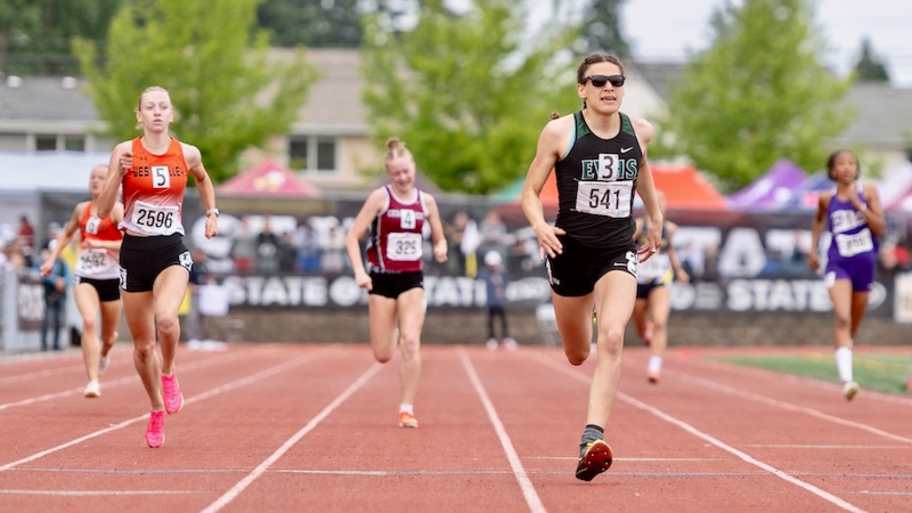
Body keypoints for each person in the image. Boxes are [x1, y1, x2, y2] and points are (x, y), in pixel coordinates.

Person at [521, 53, 663, 481]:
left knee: (614, 338)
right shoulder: (560, 132)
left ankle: (591, 439)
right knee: (578, 353)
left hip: (617, 250)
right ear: (581, 89)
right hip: (569, 254)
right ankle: (594, 307)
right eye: (598, 81)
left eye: (616, 81)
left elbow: (643, 177)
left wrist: (655, 220)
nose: (608, 88)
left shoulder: (640, 132)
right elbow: (529, 193)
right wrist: (539, 225)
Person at [98, 86, 219, 448]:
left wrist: (212, 212)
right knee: (141, 347)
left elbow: (202, 177)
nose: (155, 112)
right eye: (149, 107)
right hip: (134, 253)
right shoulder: (123, 152)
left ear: (171, 114)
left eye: (162, 106)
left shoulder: (187, 152)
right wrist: (118, 177)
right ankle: (154, 409)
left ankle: (168, 373)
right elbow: (104, 210)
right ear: (139, 115)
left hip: (170, 250)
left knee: (167, 319)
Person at [345, 138, 447, 429]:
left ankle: (406, 408)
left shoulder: (426, 202)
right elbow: (352, 236)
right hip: (381, 279)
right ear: (390, 174)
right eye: (396, 173)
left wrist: (441, 248)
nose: (403, 178)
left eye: (406, 171)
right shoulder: (380, 198)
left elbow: (439, 237)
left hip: (412, 279)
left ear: (413, 168)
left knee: (411, 343)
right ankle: (397, 327)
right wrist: (359, 272)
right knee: (382, 354)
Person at [41, 165, 124, 398]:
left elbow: (130, 244)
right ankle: (93, 381)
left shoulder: (117, 211)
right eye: (92, 178)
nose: (95, 182)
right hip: (86, 275)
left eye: (101, 178)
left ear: (110, 183)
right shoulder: (82, 209)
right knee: (88, 321)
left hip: (112, 277)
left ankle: (105, 351)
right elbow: (67, 234)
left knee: (108, 336)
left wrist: (101, 245)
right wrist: (51, 259)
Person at [809, 149, 885, 401]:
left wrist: (858, 205)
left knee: (852, 324)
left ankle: (843, 350)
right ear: (832, 171)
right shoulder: (826, 199)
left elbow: (880, 228)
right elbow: (818, 221)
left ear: (856, 168)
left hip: (865, 264)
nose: (846, 168)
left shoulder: (869, 192)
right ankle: (848, 380)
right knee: (842, 318)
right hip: (838, 263)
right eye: (841, 164)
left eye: (851, 163)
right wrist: (813, 250)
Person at [632, 193, 688, 384]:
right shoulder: (639, 225)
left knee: (660, 321)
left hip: (660, 278)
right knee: (638, 315)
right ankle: (644, 331)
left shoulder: (670, 229)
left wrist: (679, 270)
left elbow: (670, 249)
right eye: (655, 202)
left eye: (662, 203)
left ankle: (654, 366)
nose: (659, 206)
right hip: (638, 279)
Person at [480, 250, 517, 350]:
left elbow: (505, 286)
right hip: (490, 302)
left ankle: (506, 338)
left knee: (504, 321)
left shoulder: (502, 274)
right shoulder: (485, 274)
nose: (493, 267)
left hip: (500, 302)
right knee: (490, 321)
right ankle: (491, 338)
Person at [37, 246, 70, 351]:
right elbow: (43, 275)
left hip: (60, 295)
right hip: (49, 294)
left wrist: (62, 282)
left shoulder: (63, 264)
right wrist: (55, 281)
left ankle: (56, 344)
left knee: (58, 320)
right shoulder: (47, 262)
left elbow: (69, 277)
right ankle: (44, 344)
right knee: (46, 319)